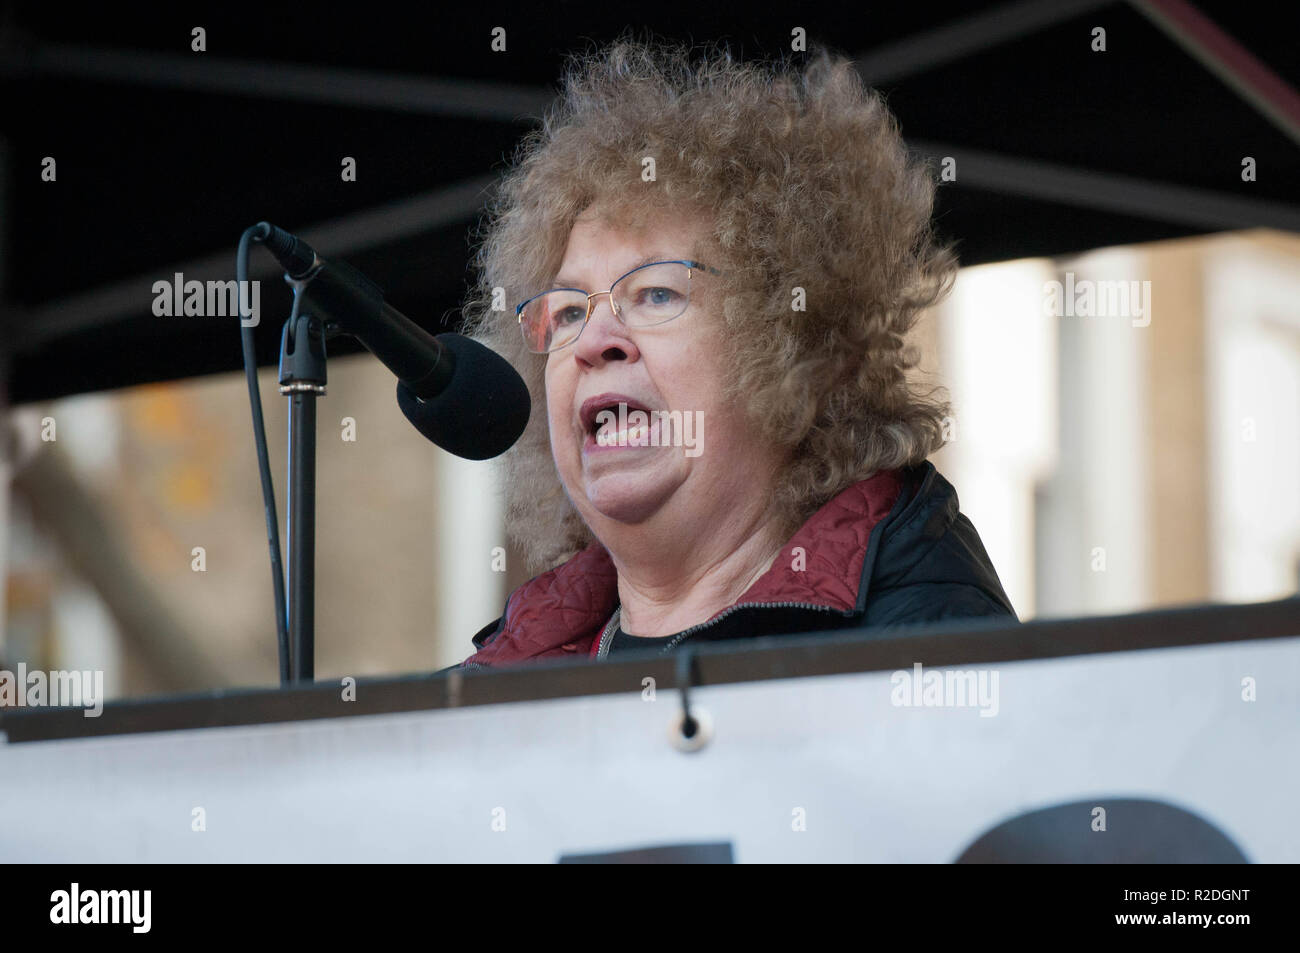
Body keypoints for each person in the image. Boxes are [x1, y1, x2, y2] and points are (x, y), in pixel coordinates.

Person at [457, 39, 1015, 668]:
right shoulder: (496, 678)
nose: (592, 341)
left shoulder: (928, 653)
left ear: (797, 346)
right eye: (567, 311)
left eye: (655, 293)